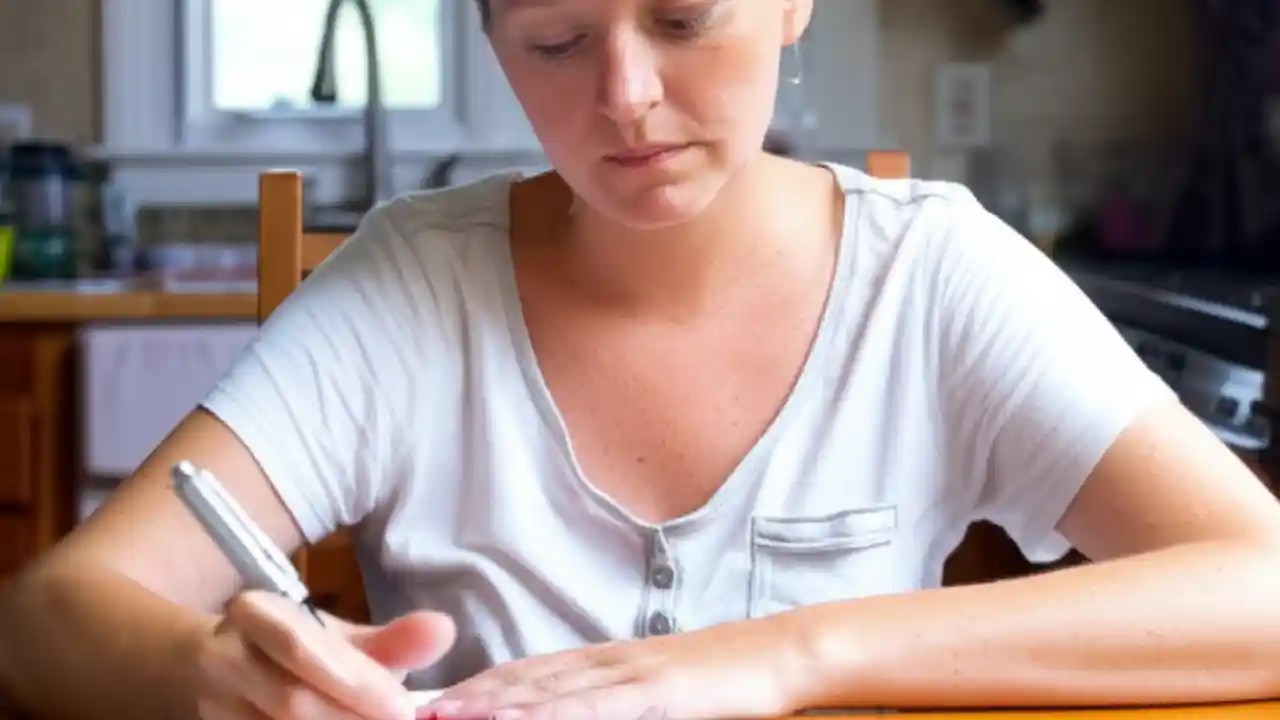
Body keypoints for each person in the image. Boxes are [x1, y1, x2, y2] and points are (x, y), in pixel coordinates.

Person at [4, 1, 1280, 718]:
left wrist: (791, 655)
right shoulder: (409, 283)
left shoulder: (933, 277)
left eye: (680, 17)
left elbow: (1258, 589)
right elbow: (49, 616)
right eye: (554, 41)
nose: (622, 93)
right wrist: (204, 677)